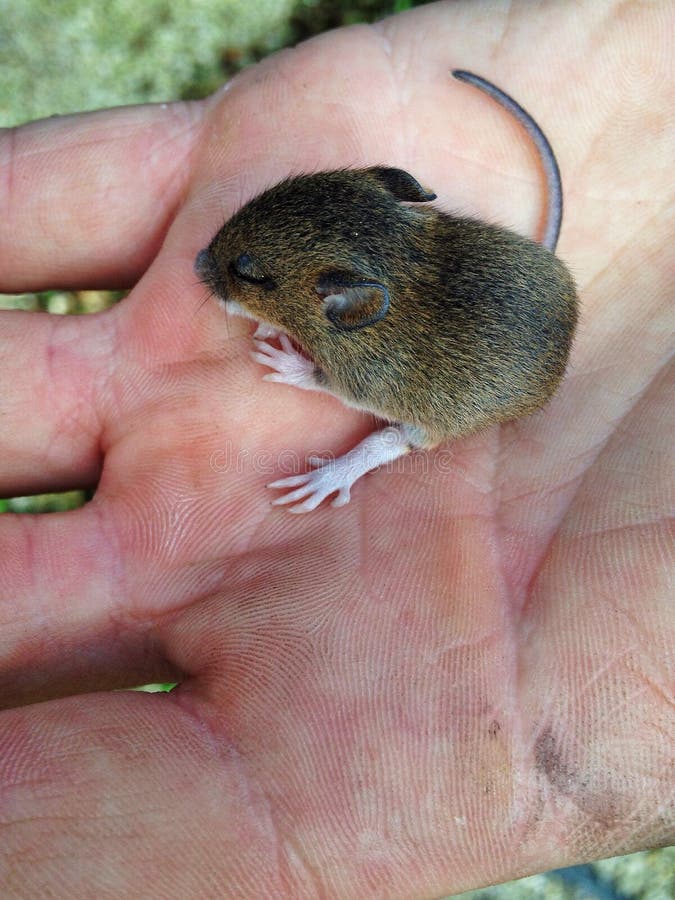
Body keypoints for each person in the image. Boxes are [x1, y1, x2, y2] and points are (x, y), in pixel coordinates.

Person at [1, 1, 672, 895]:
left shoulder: (368, 344)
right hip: (521, 293)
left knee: (405, 423)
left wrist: (320, 399)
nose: (217, 275)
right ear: (390, 188)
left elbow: (364, 387)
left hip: (480, 382)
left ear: (343, 304)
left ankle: (353, 469)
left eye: (247, 278)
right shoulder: (374, 269)